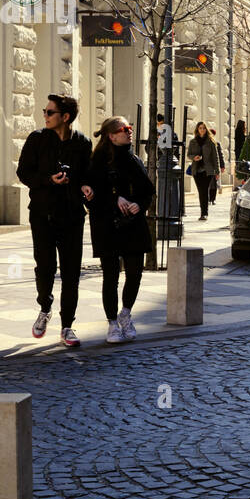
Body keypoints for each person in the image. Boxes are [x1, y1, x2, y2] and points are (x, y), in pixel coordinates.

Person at [16, 93, 92, 348]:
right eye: (45, 112)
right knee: (45, 267)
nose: (45, 116)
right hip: (42, 215)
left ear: (65, 117)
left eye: (50, 113)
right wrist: (49, 179)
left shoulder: (82, 143)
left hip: (72, 216)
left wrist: (86, 188)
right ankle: (45, 308)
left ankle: (67, 325)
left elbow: (87, 176)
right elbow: (23, 173)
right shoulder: (37, 139)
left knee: (71, 272)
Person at [86, 116, 154, 344]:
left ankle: (126, 313)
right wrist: (114, 199)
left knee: (135, 272)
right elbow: (91, 196)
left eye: (130, 127)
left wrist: (138, 204)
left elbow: (147, 191)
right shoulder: (96, 162)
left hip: (133, 224)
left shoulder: (133, 159)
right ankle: (112, 323)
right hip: (107, 225)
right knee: (111, 275)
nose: (129, 131)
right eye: (124, 129)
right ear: (111, 135)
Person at [188, 121, 219, 221]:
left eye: (204, 128)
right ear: (197, 129)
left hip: (208, 170)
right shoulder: (193, 142)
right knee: (201, 191)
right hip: (196, 170)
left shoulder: (211, 142)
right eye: (200, 128)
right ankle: (203, 212)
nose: (202, 130)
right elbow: (189, 154)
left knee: (204, 191)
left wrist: (217, 171)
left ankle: (204, 213)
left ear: (206, 130)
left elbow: (215, 157)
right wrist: (194, 157)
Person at [208, 128, 227, 206]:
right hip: (207, 167)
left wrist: (222, 166)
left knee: (214, 183)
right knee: (207, 183)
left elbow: (220, 156)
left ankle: (213, 199)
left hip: (215, 166)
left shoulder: (217, 144)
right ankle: (208, 199)